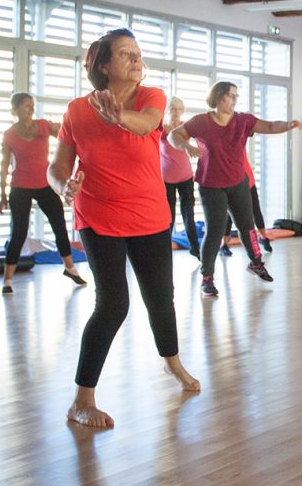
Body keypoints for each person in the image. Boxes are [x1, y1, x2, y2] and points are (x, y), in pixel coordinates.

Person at [49, 28, 199, 428]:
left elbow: (146, 123)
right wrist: (63, 185)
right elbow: (58, 167)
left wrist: (119, 116)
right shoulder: (76, 111)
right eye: (125, 54)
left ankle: (173, 363)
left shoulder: (152, 97)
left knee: (160, 298)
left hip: (149, 214)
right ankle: (81, 400)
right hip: (98, 216)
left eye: (138, 53)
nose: (136, 59)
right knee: (113, 304)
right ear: (104, 65)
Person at [168, 82, 302, 297]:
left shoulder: (243, 120)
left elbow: (268, 126)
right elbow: (173, 135)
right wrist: (186, 146)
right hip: (211, 185)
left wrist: (288, 124)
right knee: (215, 231)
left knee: (247, 226)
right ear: (219, 97)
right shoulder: (201, 122)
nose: (234, 99)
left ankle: (256, 263)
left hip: (238, 182)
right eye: (231, 95)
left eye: (236, 96)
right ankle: (207, 277)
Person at [0, 92, 86, 294]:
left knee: (59, 225)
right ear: (15, 110)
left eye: (32, 105)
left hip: (44, 184)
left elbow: (68, 137)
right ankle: (7, 280)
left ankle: (70, 268)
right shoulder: (9, 134)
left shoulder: (44, 126)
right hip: (20, 187)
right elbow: (4, 165)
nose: (31, 109)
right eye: (26, 106)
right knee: (18, 233)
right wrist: (2, 194)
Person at [160, 96, 200, 259]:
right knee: (168, 216)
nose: (176, 112)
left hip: (185, 176)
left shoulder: (186, 127)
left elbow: (202, 140)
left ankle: (195, 248)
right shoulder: (161, 128)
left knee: (188, 214)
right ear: (167, 110)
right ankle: (165, 250)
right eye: (172, 109)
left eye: (179, 109)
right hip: (166, 178)